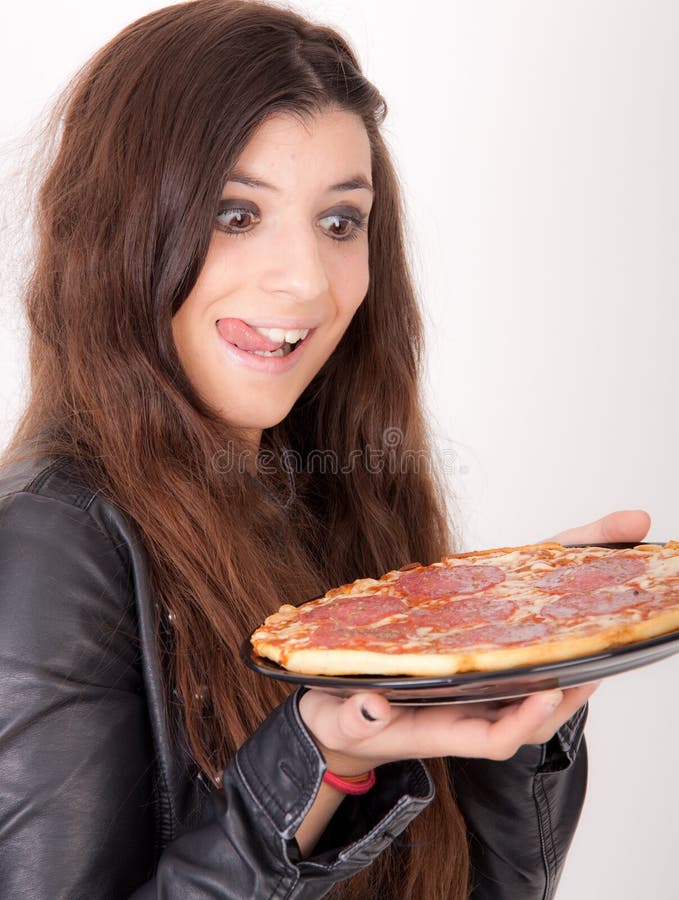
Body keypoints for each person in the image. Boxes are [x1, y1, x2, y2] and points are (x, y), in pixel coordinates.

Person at [0, 1, 650, 898]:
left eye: (340, 222)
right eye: (236, 213)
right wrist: (321, 759)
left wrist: (519, 677)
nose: (306, 279)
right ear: (117, 233)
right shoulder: (49, 542)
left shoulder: (340, 496)